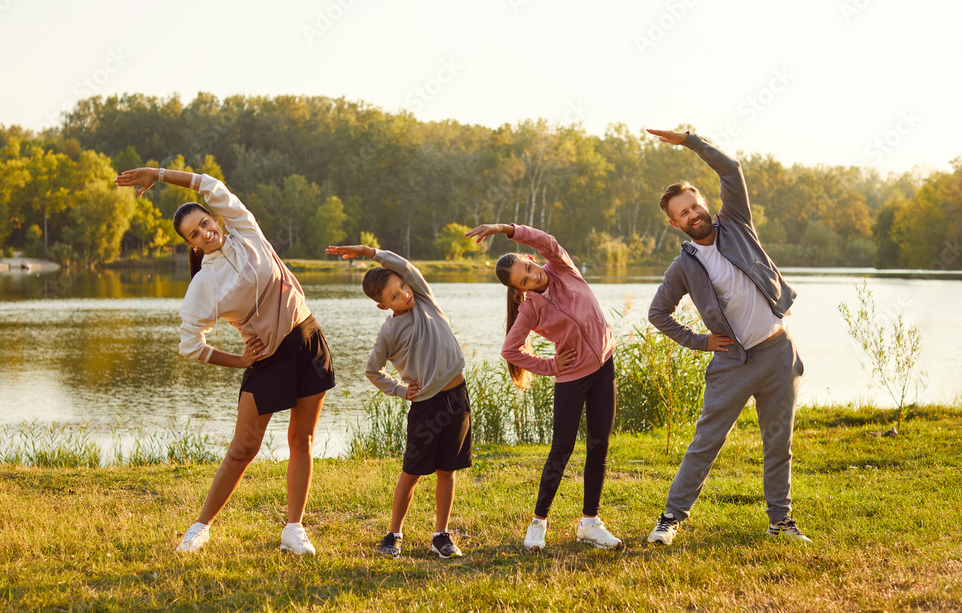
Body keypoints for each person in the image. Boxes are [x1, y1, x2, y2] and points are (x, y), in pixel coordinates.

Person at [114, 166, 335, 555]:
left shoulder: (245, 231)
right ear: (191, 244)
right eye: (193, 234)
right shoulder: (204, 284)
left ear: (214, 218)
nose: (204, 233)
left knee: (302, 439)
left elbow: (209, 184)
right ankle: (200, 527)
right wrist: (240, 360)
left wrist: (160, 174)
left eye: (204, 223)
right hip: (267, 359)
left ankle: (294, 529)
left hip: (307, 339)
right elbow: (190, 344)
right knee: (243, 447)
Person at [643, 128, 811, 546]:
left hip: (779, 353)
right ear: (675, 224)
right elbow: (657, 314)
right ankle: (670, 519)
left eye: (694, 205)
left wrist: (689, 141)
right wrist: (701, 341)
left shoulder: (736, 223)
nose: (692, 215)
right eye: (683, 214)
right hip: (732, 364)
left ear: (704, 203)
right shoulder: (683, 267)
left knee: (779, 443)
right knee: (706, 443)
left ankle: (780, 521)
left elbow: (731, 169)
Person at [465, 223, 623, 551]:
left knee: (599, 446)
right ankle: (538, 523)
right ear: (519, 290)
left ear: (530, 259)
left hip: (604, 365)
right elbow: (511, 350)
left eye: (528, 268)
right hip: (572, 378)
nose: (531, 277)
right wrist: (551, 366)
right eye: (523, 281)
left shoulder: (562, 268)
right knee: (561, 450)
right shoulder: (530, 308)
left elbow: (546, 240)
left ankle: (590, 524)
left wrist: (506, 229)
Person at [325, 243, 471, 559]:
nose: (404, 294)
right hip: (427, 406)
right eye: (394, 295)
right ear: (383, 305)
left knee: (448, 470)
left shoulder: (424, 299)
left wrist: (369, 251)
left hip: (457, 398)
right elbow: (372, 370)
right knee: (412, 472)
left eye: (403, 286)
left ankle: (441, 535)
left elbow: (405, 266)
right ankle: (394, 534)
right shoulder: (389, 332)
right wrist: (401, 390)